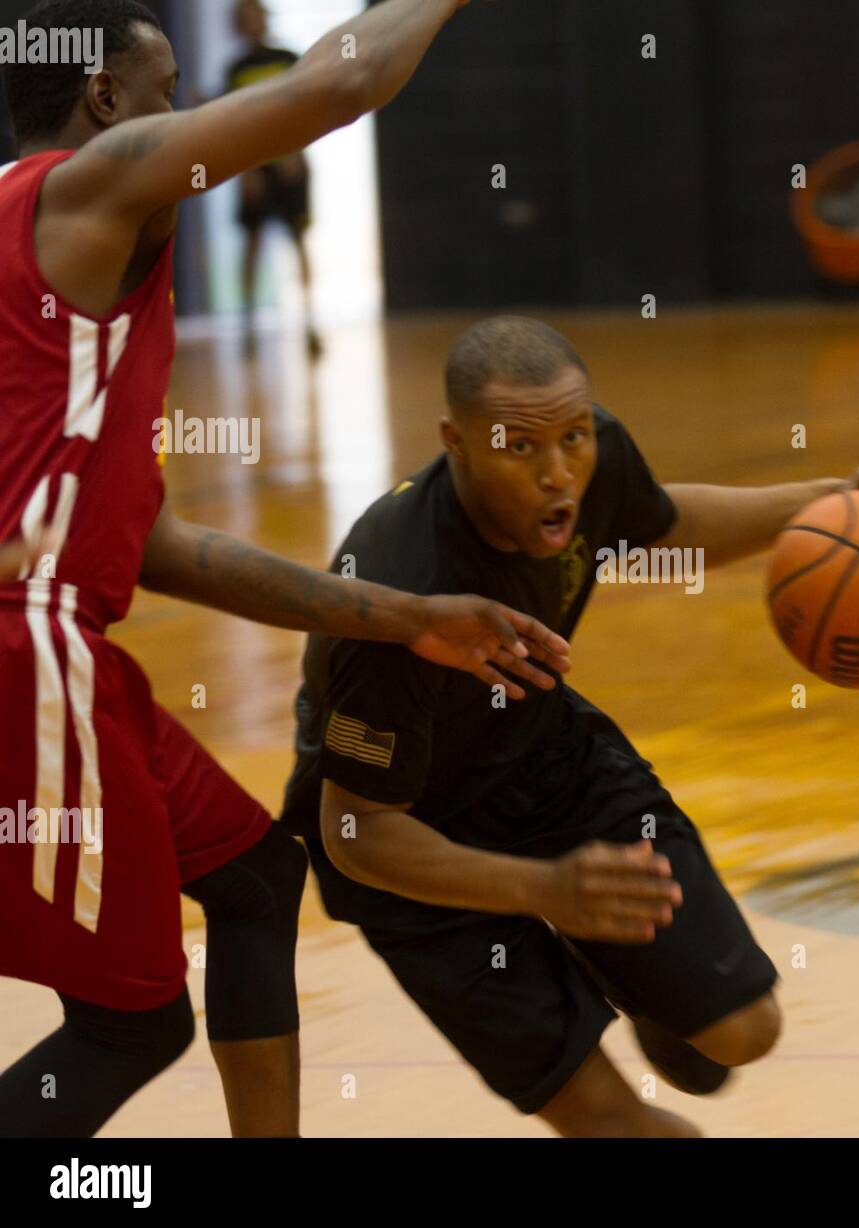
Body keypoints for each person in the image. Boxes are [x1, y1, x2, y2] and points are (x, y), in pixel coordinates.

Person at [0, 0, 574, 1140]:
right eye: (170, 90)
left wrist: (401, 614)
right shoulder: (91, 182)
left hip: (62, 636)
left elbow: (156, 544)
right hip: (32, 646)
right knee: (129, 1023)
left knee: (257, 878)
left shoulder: (42, 254)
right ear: (106, 101)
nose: (185, 119)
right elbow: (335, 89)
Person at [280, 315, 859, 1137]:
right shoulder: (396, 597)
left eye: (574, 439)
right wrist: (543, 890)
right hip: (411, 841)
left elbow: (660, 528)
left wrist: (831, 503)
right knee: (616, 1127)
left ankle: (612, 965)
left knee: (740, 1033)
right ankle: (574, 939)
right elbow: (355, 832)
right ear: (457, 443)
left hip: (543, 754)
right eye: (521, 448)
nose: (560, 475)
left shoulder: (592, 459)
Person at [224, 0, 321, 360]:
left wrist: (296, 153)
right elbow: (233, 124)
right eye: (245, 18)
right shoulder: (234, 70)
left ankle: (311, 323)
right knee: (251, 246)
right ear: (238, 25)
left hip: (290, 165)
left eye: (257, 15)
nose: (254, 23)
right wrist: (247, 171)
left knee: (299, 243)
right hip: (256, 169)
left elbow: (308, 109)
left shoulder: (288, 58)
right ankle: (248, 325)